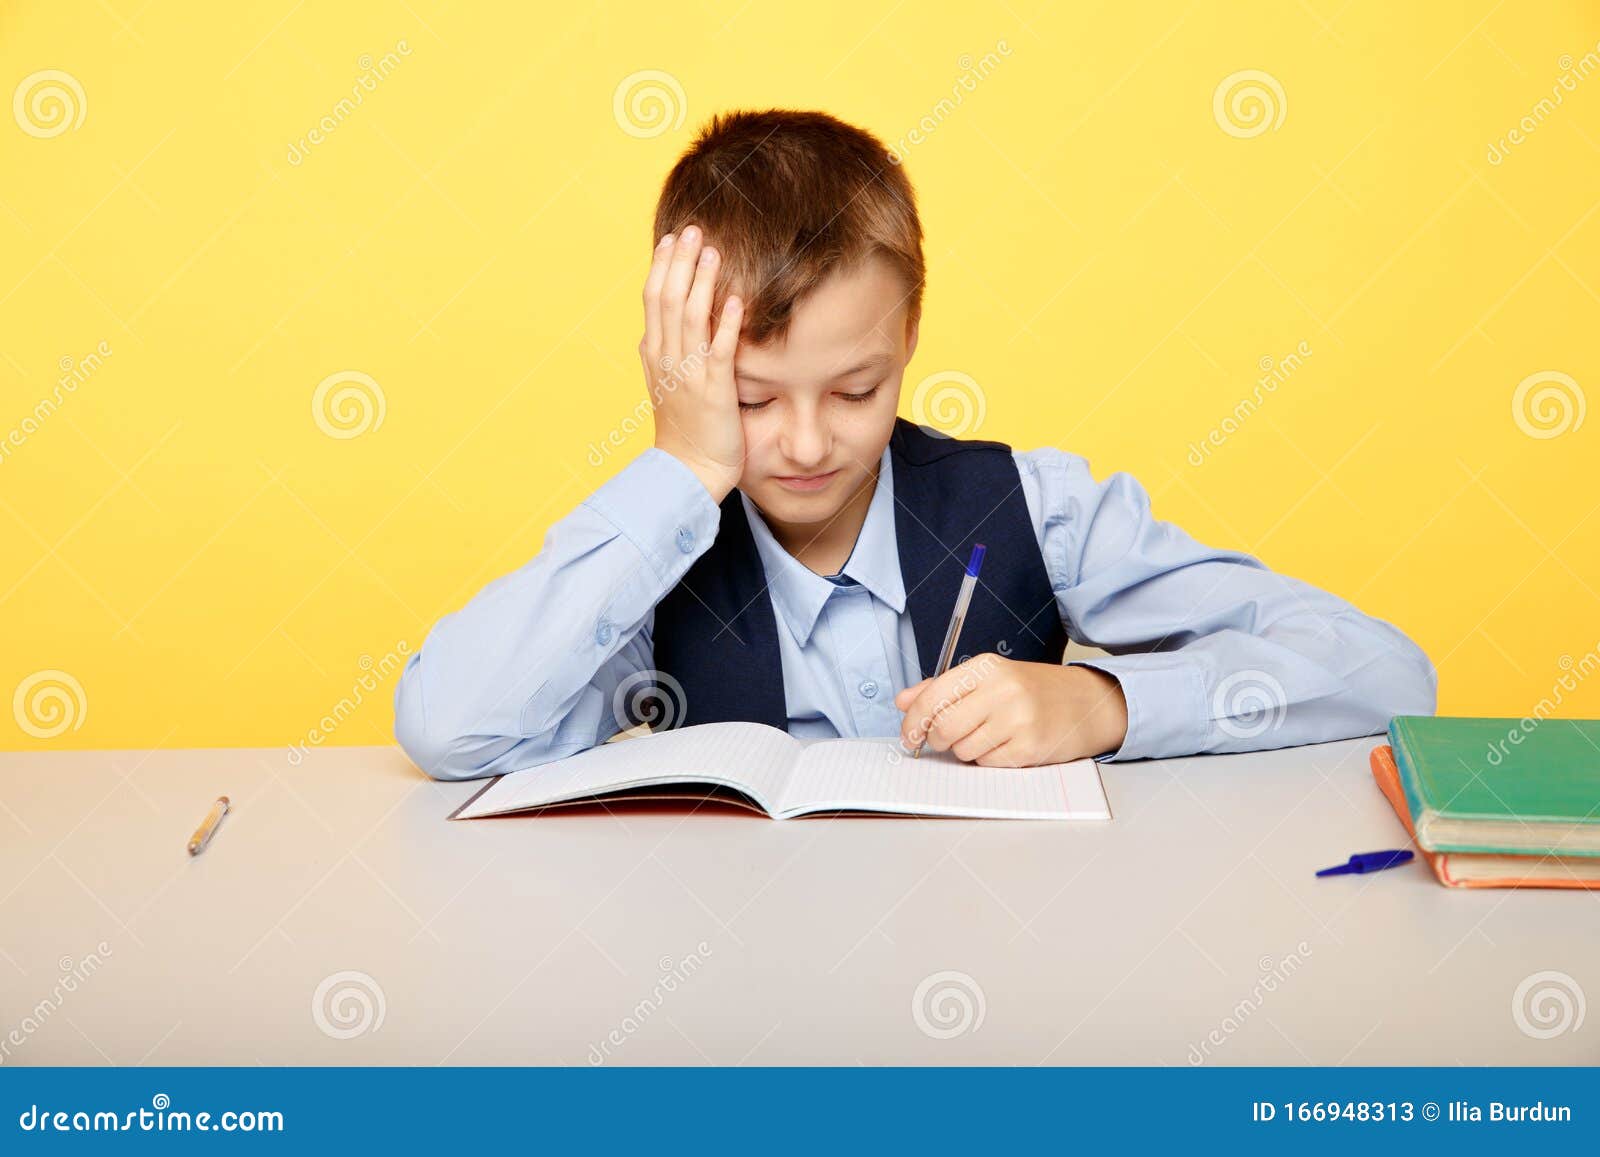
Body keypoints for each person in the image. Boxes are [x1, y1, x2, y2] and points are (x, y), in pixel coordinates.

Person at [393, 108, 1435, 782]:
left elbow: (1388, 674)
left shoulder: (1044, 511)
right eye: (751, 401)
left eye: (855, 388)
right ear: (689, 373)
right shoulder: (649, 569)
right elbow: (449, 728)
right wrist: (682, 467)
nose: (805, 441)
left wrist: (1107, 701)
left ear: (908, 340)